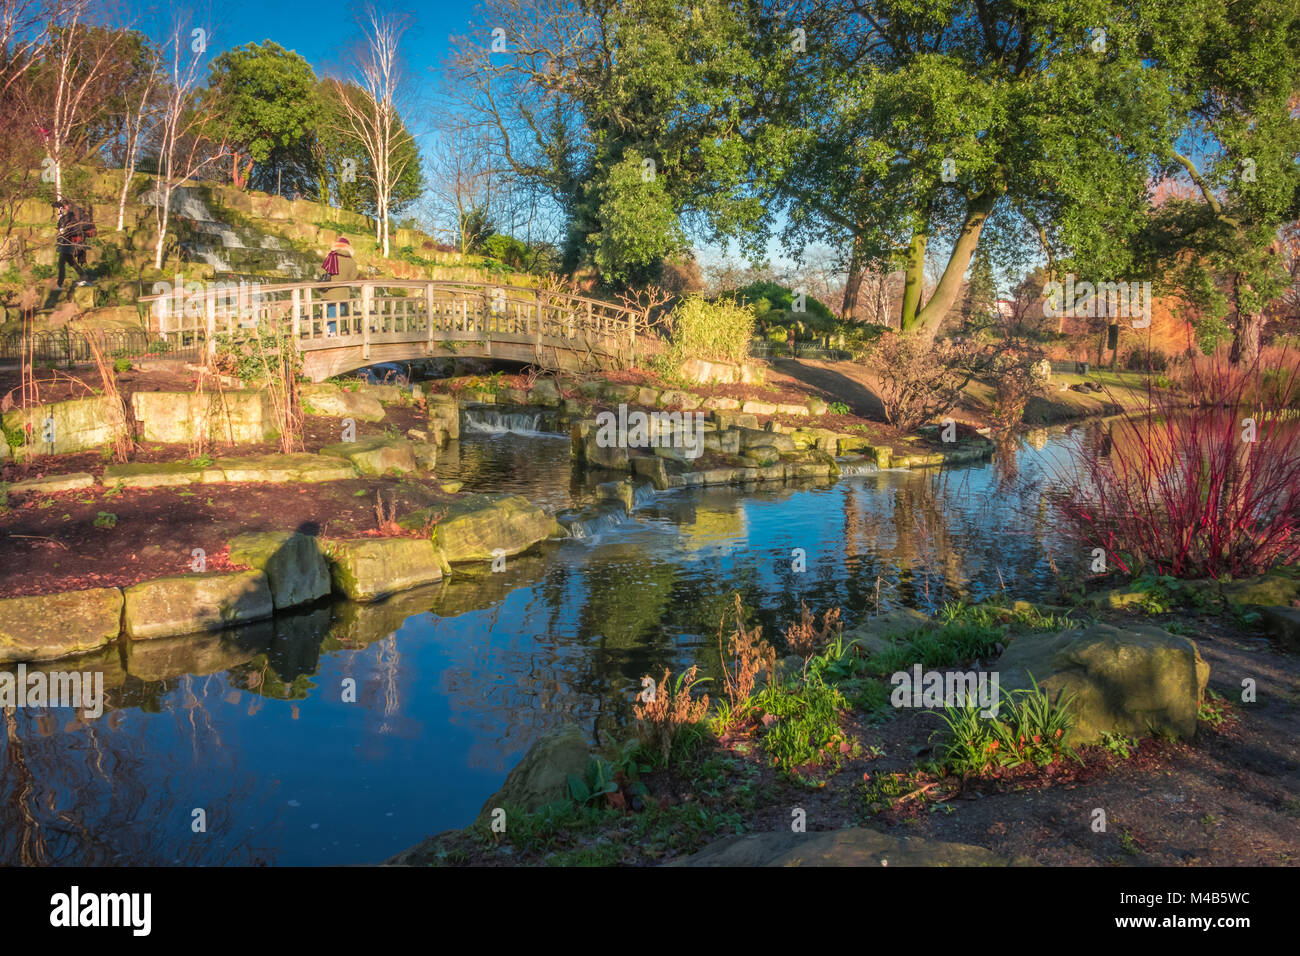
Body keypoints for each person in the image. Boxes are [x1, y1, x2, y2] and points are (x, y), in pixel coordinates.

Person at [321, 236, 357, 335]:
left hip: (327, 292)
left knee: (331, 311)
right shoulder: (351, 261)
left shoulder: (330, 257)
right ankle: (332, 331)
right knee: (336, 312)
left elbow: (321, 271)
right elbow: (353, 277)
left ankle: (329, 328)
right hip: (342, 292)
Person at [54, 198, 93, 290]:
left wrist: (62, 226)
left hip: (72, 242)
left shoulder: (74, 215)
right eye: (63, 207)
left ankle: (60, 285)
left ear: (69, 205)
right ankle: (84, 277)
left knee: (62, 262)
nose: (64, 208)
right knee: (71, 261)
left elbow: (70, 227)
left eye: (65, 206)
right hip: (70, 242)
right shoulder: (71, 214)